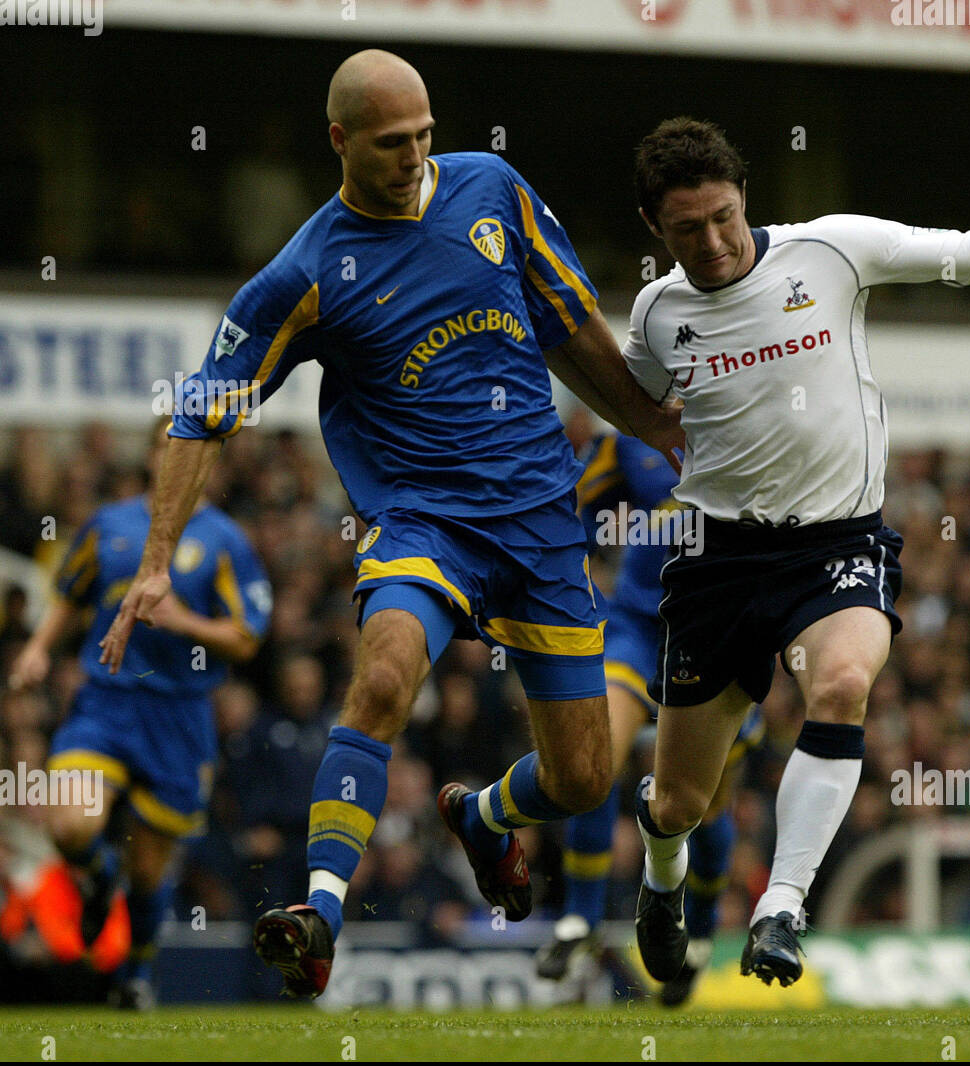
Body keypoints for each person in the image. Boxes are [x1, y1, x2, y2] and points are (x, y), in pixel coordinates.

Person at [98, 50, 681, 1000]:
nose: (415, 156)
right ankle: (318, 914)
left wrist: (655, 421)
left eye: (423, 135)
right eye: (390, 142)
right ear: (339, 141)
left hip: (539, 518)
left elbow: (572, 324)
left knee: (582, 780)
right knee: (381, 672)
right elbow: (201, 407)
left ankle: (486, 816)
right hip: (423, 520)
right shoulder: (307, 270)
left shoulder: (492, 189)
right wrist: (158, 561)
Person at [623, 117, 970, 986]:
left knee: (842, 682)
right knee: (678, 801)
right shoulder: (657, 314)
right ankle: (661, 875)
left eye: (724, 217)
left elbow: (968, 252)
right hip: (717, 561)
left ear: (745, 198)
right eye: (687, 229)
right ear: (656, 230)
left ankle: (781, 907)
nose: (712, 242)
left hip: (838, 539)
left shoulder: (831, 251)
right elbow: (633, 407)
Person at [9, 416, 271, 1007]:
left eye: (190, 451)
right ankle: (99, 877)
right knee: (71, 823)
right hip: (106, 701)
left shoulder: (226, 541)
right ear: (154, 457)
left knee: (150, 870)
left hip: (179, 715)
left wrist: (185, 622)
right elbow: (69, 595)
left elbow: (247, 636)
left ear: (207, 463)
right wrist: (35, 650)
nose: (175, 459)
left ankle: (136, 975)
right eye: (166, 448)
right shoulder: (111, 524)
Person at [533, 431, 764, 1005]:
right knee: (596, 759)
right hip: (638, 630)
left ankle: (701, 936)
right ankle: (580, 921)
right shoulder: (632, 438)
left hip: (719, 636)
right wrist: (570, 583)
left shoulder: (758, 428)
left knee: (704, 806)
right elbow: (567, 508)